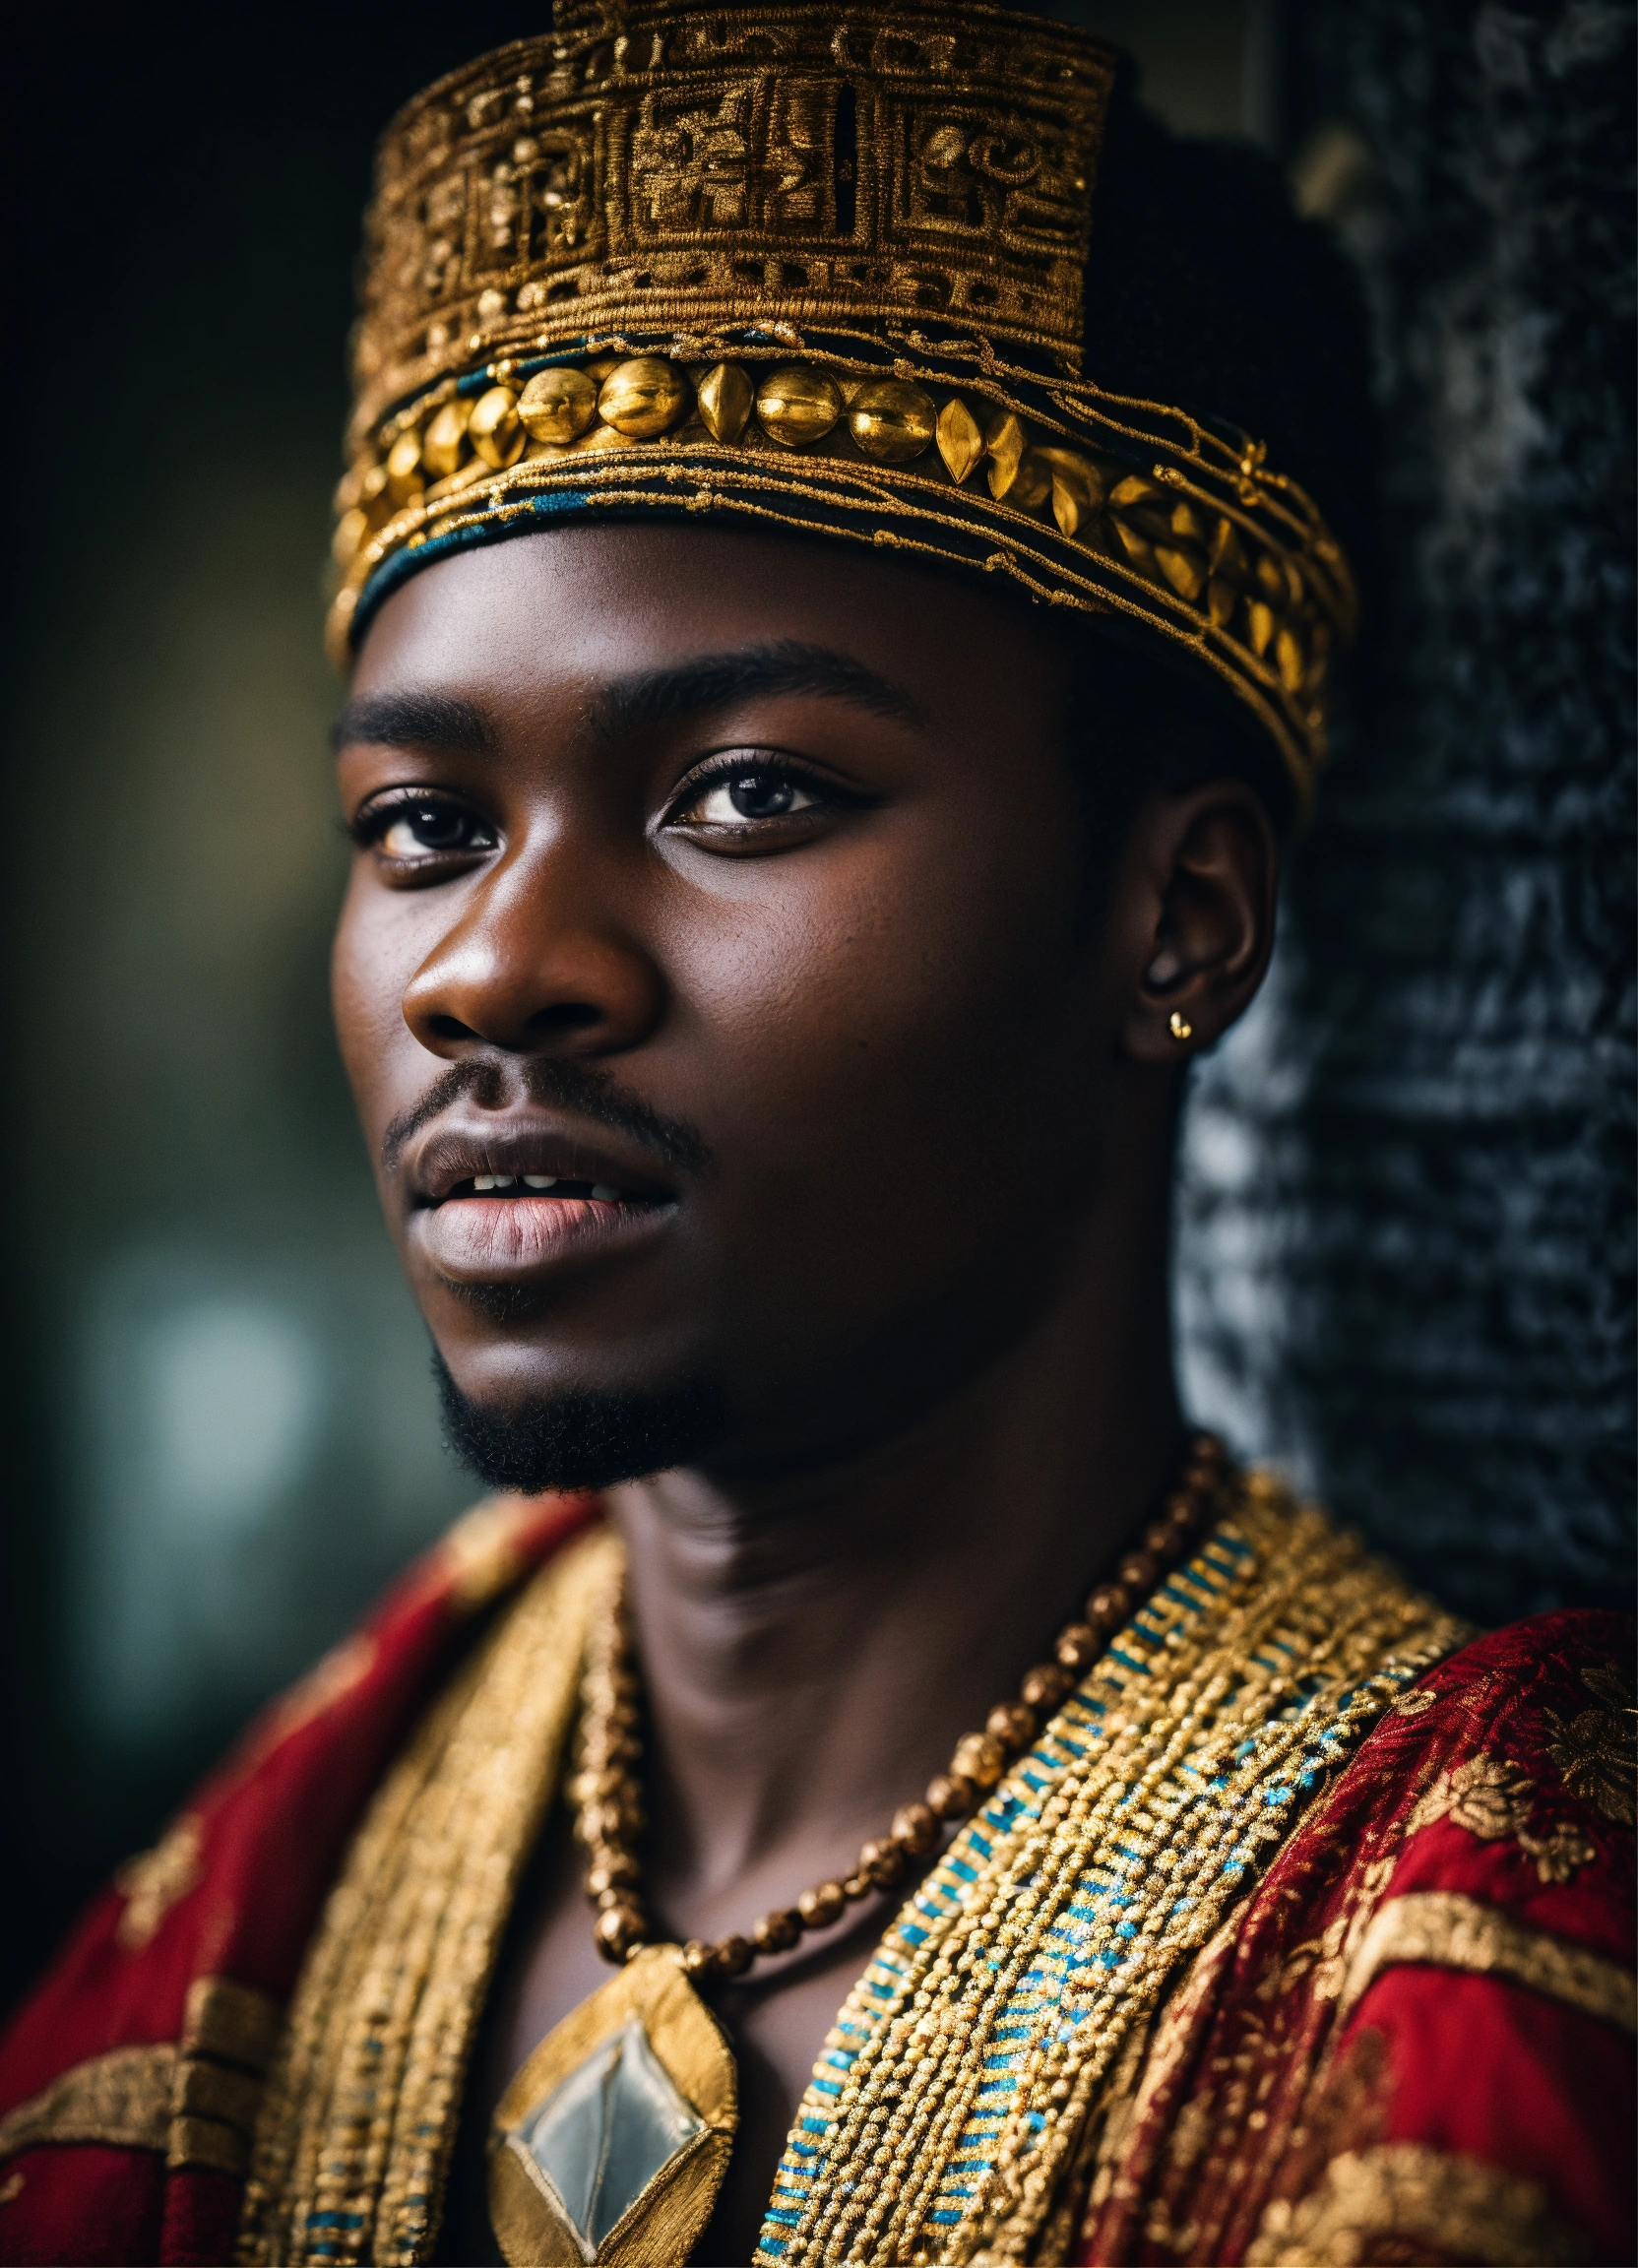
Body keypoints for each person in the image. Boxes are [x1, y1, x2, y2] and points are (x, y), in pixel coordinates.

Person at [1, 4, 1630, 2263]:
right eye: (422, 821)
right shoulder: (277, 1877)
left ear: (1180, 910)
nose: (494, 963)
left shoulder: (1466, 1952)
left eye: (748, 792)